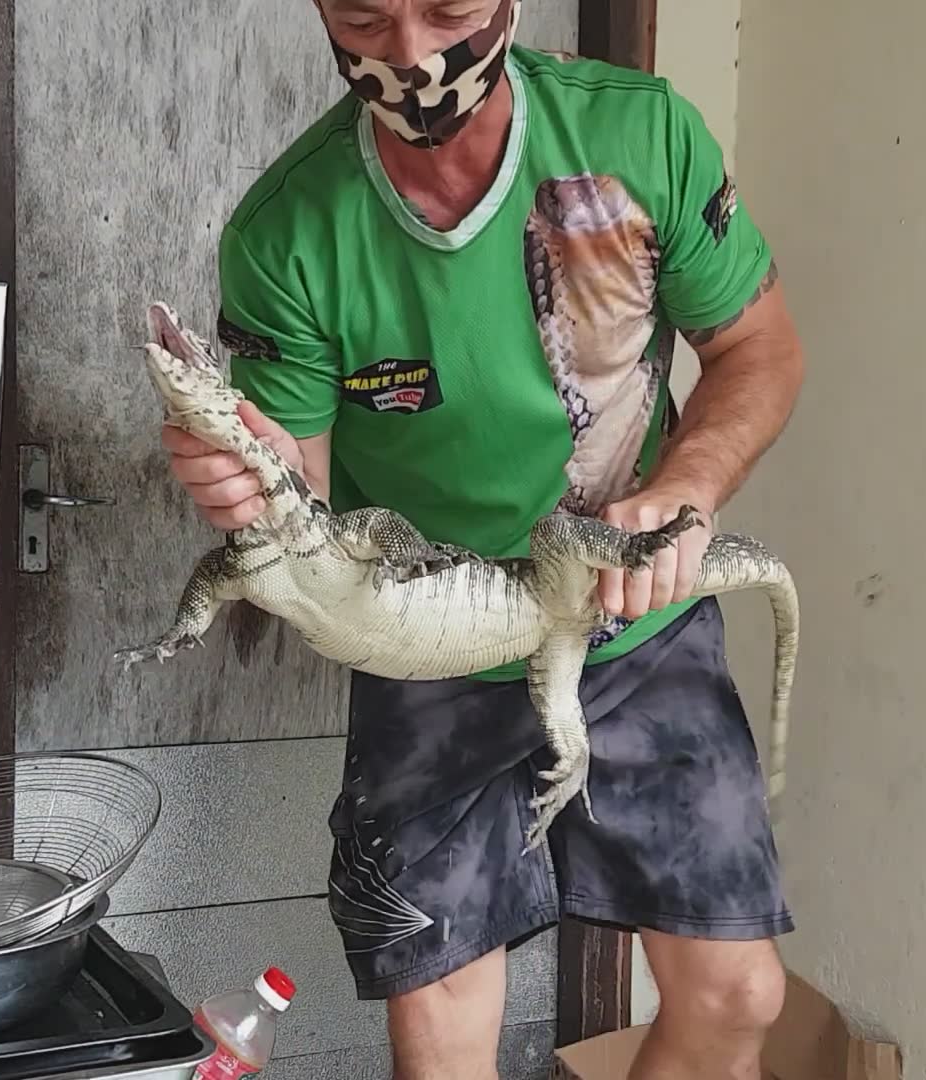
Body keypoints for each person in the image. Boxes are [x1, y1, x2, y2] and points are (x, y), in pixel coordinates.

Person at [160, 1, 806, 1077]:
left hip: (637, 620)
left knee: (737, 996)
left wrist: (685, 490)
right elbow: (300, 494)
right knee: (441, 1034)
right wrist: (244, 489)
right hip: (432, 646)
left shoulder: (643, 137)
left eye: (449, 8)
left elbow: (761, 349)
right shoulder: (287, 234)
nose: (413, 53)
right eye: (367, 16)